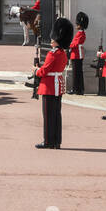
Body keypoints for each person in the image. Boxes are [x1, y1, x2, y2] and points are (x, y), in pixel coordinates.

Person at [35, 19, 71, 150]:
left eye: (53, 39)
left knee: (48, 115)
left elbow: (44, 71)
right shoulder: (62, 54)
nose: (51, 40)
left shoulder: (53, 54)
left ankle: (48, 141)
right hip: (57, 86)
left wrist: (36, 70)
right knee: (56, 115)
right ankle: (56, 141)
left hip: (49, 86)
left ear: (57, 39)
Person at [69, 11, 88, 95]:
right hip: (75, 54)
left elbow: (76, 44)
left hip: (77, 54)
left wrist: (69, 45)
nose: (76, 25)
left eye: (77, 24)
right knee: (77, 73)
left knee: (76, 73)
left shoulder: (81, 34)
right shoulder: (80, 33)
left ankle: (76, 89)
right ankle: (79, 89)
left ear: (80, 25)